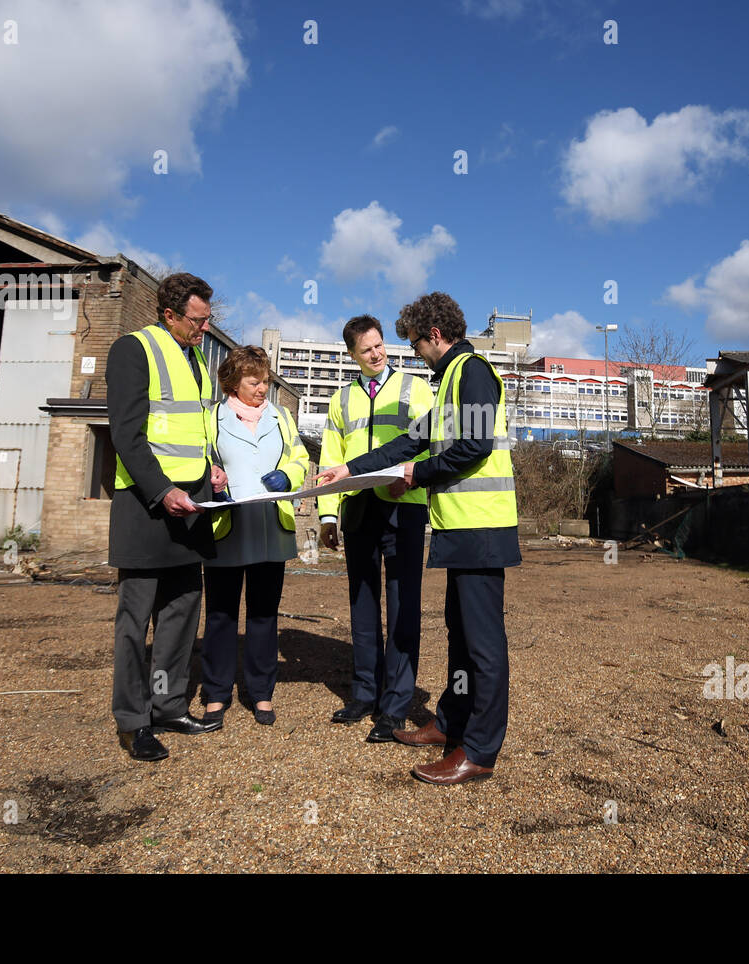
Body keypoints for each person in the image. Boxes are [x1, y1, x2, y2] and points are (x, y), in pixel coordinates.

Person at [318, 292, 519, 785]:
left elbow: (471, 448)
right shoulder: (450, 380)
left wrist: (414, 474)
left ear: (434, 335)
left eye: (413, 344)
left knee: (483, 645)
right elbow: (413, 440)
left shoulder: (471, 372)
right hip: (459, 527)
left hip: (482, 526)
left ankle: (480, 750)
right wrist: (350, 468)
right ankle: (449, 723)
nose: (413, 354)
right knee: (459, 634)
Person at [108, 272, 226, 762]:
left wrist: (212, 466)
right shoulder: (132, 350)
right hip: (146, 506)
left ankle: (169, 704)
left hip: (193, 504)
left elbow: (196, 426)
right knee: (135, 621)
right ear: (170, 314)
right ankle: (134, 722)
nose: (204, 328)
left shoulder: (196, 356)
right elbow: (126, 434)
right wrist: (162, 490)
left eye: (207, 320)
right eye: (197, 321)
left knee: (181, 613)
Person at [319, 315, 434, 743]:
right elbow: (330, 459)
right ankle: (365, 693)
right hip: (357, 507)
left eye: (380, 345)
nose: (377, 353)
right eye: (367, 349)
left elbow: (427, 441)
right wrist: (328, 515)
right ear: (352, 355)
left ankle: (395, 706)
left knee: (403, 606)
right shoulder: (340, 399)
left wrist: (415, 476)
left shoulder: (414, 388)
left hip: (403, 505)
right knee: (362, 602)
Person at [200, 346, 309, 726]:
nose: (263, 388)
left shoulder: (280, 417)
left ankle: (261, 693)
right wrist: (210, 479)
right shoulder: (211, 416)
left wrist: (289, 476)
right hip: (226, 522)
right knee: (220, 613)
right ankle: (215, 693)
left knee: (263, 614)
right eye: (254, 381)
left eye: (266, 381)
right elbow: (201, 457)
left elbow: (300, 458)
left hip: (269, 522)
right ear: (233, 382)